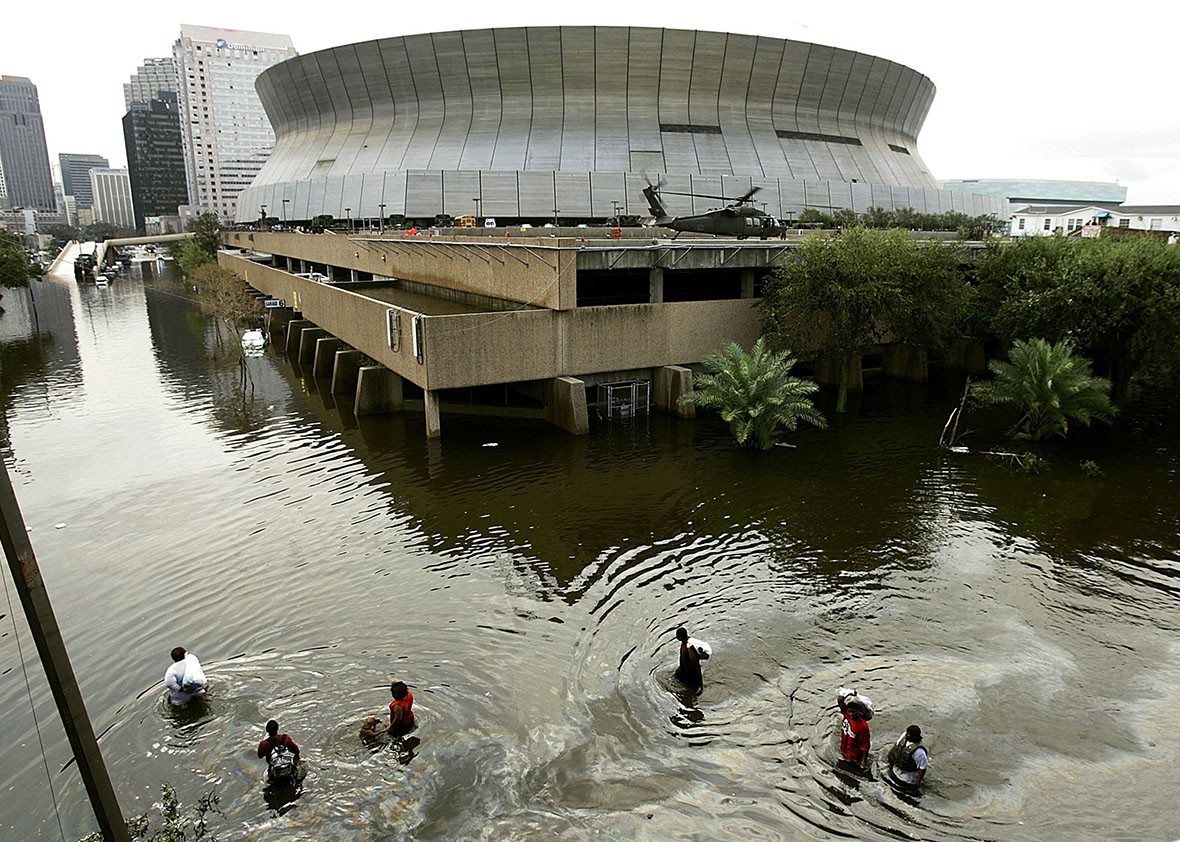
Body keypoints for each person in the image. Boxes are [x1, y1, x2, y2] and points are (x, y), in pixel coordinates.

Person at [836, 688, 871, 769]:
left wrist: (863, 762)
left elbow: (865, 746)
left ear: (858, 711)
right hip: (844, 749)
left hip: (854, 757)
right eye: (849, 712)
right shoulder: (846, 714)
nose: (851, 714)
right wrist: (849, 693)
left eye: (853, 712)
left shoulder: (863, 726)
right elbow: (840, 700)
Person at [674, 627, 710, 691]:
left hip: (692, 672)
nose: (676, 637)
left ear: (681, 636)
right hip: (685, 670)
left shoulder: (691, 646)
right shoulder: (684, 644)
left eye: (677, 635)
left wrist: (700, 654)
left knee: (694, 688)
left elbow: (706, 654)